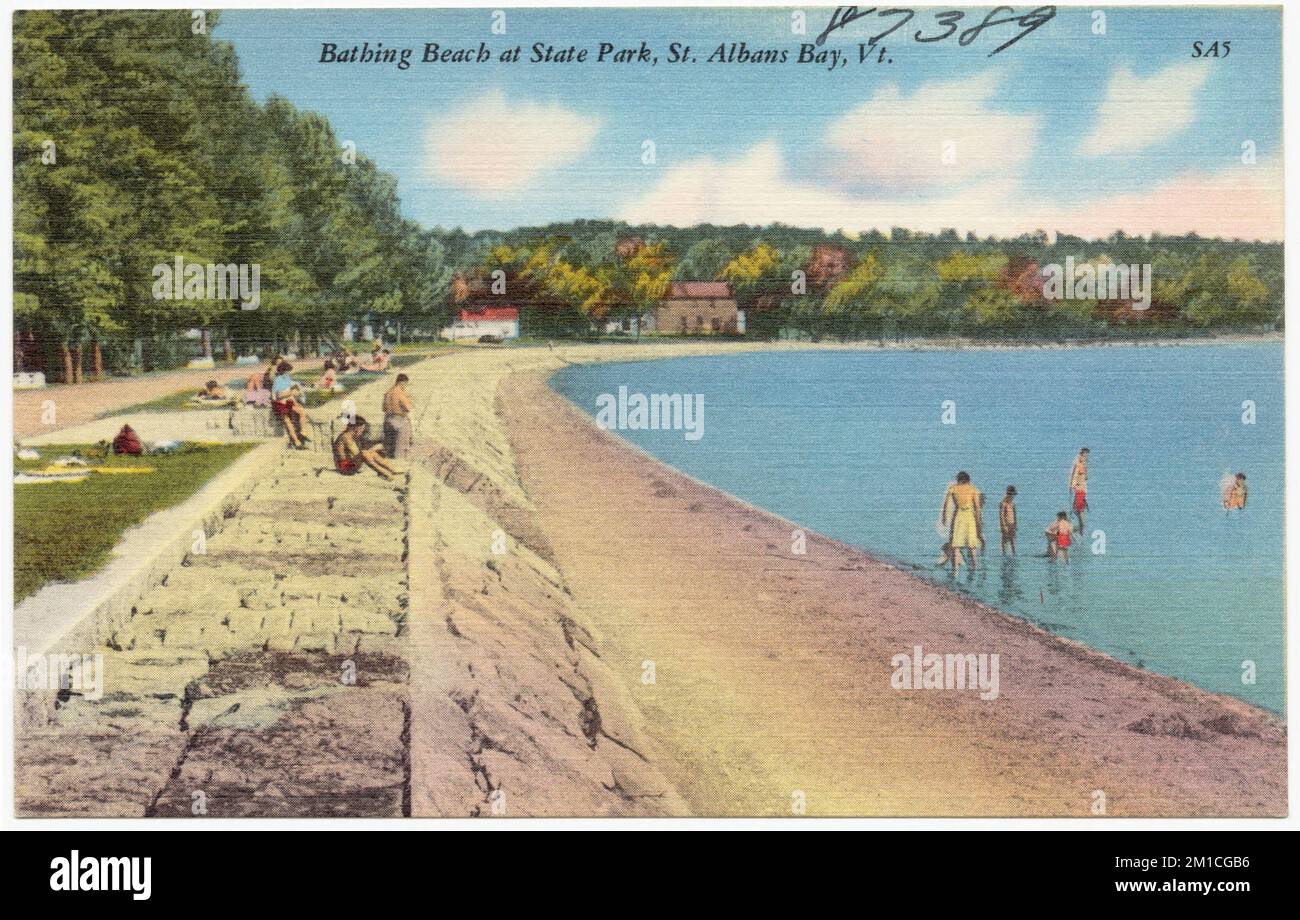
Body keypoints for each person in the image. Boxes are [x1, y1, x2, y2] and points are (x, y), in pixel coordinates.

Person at [941, 471, 984, 576]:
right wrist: (979, 522)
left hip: (959, 516)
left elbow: (945, 505)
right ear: (968, 480)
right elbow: (978, 509)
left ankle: (955, 571)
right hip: (970, 517)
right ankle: (974, 569)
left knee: (956, 545)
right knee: (971, 545)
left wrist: (944, 518)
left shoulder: (953, 488)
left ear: (958, 479)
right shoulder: (973, 489)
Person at [333, 415, 397, 480]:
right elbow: (357, 454)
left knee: (371, 452)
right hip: (344, 467)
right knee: (365, 453)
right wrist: (374, 448)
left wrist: (373, 450)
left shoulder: (350, 436)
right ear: (356, 427)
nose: (362, 431)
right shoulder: (346, 437)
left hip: (348, 464)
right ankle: (384, 473)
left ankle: (392, 469)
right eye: (362, 428)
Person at [271, 361, 312, 449]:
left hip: (287, 402)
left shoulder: (287, 378)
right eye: (287, 371)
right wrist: (291, 392)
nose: (289, 373)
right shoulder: (278, 380)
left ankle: (303, 433)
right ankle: (296, 442)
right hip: (279, 404)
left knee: (301, 411)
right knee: (287, 421)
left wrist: (295, 402)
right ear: (282, 371)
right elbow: (278, 396)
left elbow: (290, 394)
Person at [382, 373, 414, 460]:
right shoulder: (400, 392)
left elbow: (384, 408)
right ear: (402, 382)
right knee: (400, 451)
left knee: (389, 449)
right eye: (405, 384)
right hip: (399, 421)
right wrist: (409, 400)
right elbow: (408, 408)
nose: (405, 387)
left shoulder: (388, 393)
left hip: (387, 420)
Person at [1069, 448, 1090, 534]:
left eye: (1086, 456)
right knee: (1080, 512)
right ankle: (1076, 531)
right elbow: (1073, 476)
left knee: (1082, 515)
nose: (1085, 458)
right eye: (1084, 456)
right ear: (1081, 455)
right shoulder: (1077, 464)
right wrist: (1072, 487)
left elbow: (1085, 480)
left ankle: (1077, 531)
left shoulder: (1084, 465)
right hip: (1079, 491)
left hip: (1083, 491)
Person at [999, 485, 1017, 556]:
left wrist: (1015, 525)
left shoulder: (1012, 504)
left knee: (1012, 540)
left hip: (1012, 524)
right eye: (1012, 495)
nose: (1013, 496)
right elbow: (1001, 516)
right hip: (1006, 524)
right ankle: (1004, 554)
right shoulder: (1003, 503)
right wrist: (1003, 526)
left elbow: (1015, 515)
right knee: (1004, 540)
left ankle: (1013, 554)